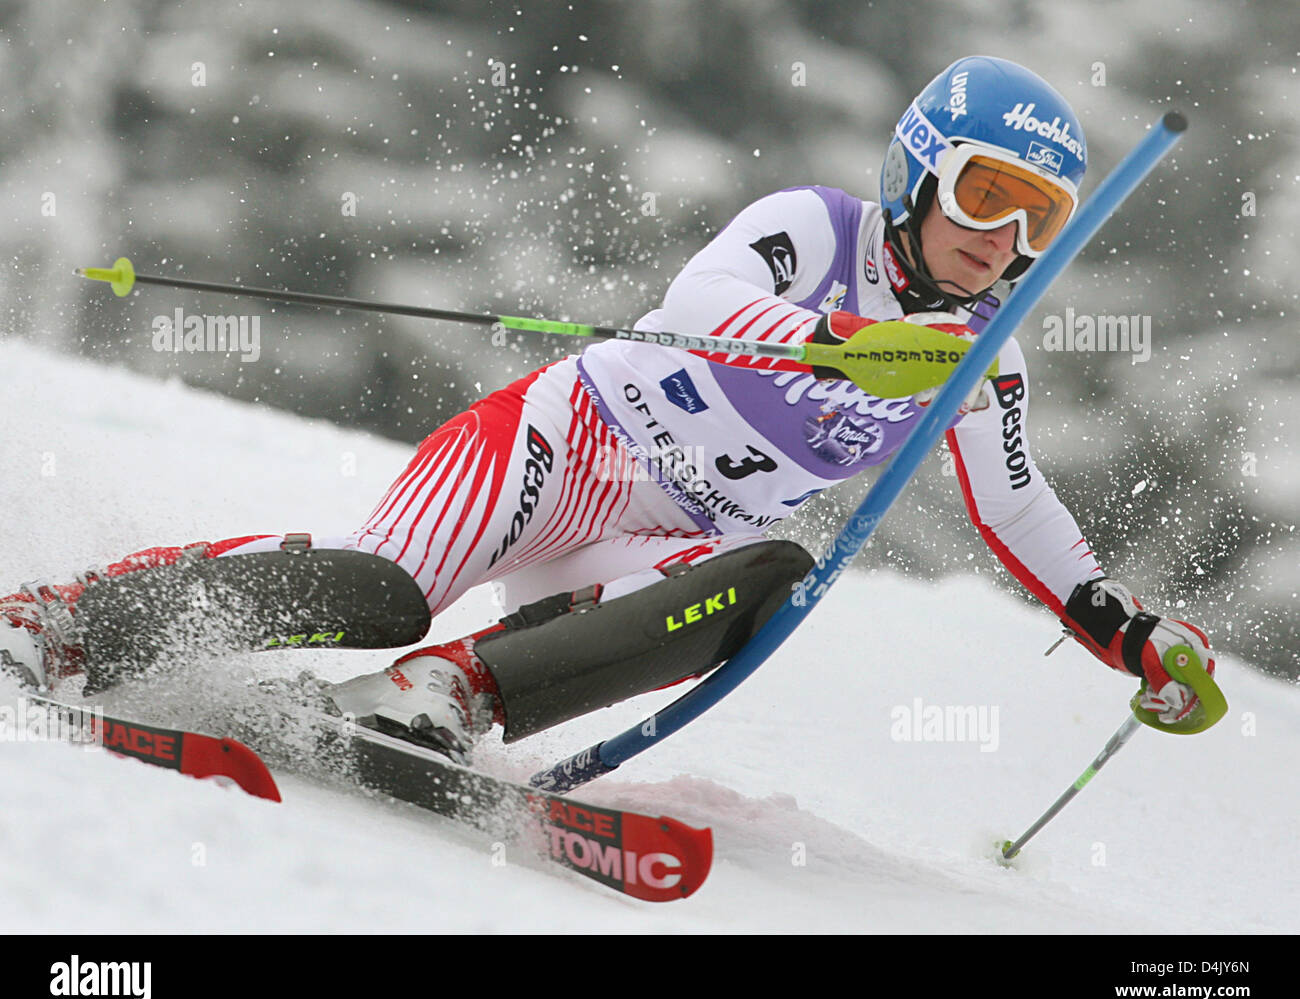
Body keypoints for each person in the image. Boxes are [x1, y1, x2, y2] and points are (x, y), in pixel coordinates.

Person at [0, 56, 1214, 762]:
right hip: (566, 442)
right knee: (375, 592)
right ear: (917, 172)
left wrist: (1129, 631)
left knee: (768, 570)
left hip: (651, 537)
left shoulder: (977, 358)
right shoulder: (818, 228)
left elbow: (1016, 503)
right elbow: (709, 298)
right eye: (984, 194)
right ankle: (68, 619)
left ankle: (445, 694)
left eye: (1035, 221)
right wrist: (847, 346)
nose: (999, 241)